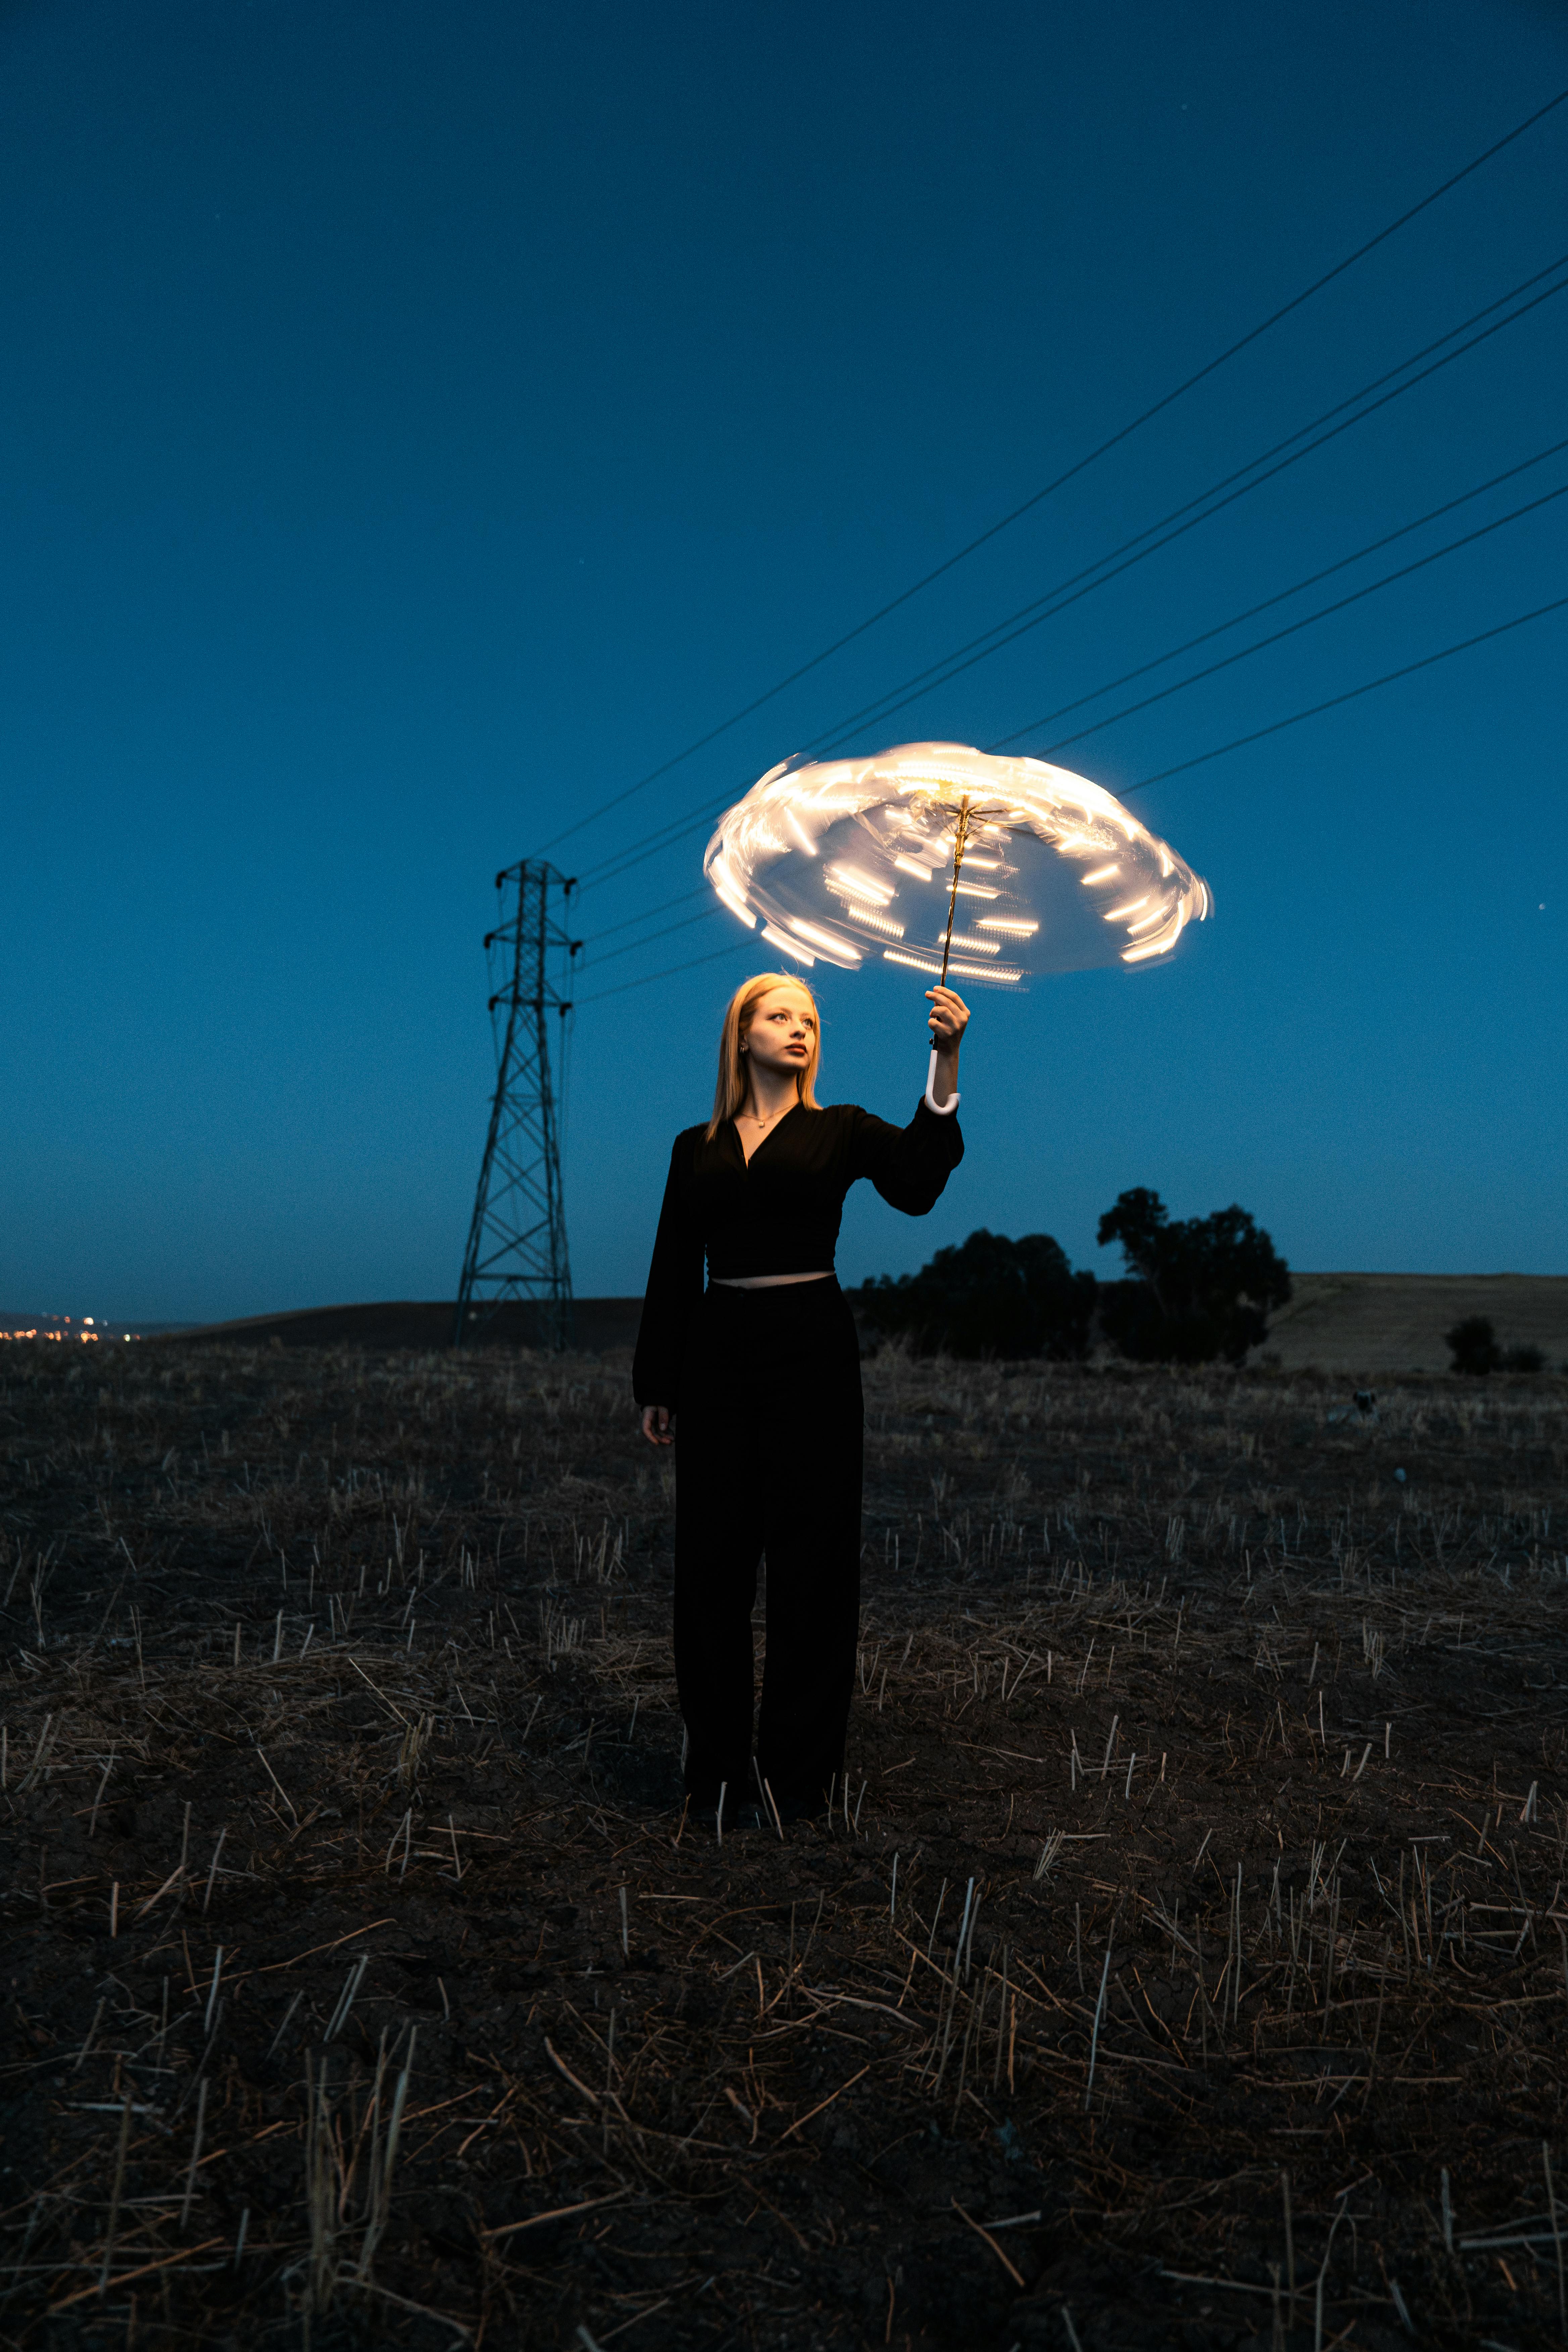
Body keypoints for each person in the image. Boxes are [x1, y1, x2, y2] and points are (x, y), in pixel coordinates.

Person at [633, 970, 969, 1826]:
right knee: (710, 1573)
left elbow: (918, 1184)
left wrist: (944, 1057)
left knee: (812, 1573)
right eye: (779, 1016)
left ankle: (795, 1788)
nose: (799, 1029)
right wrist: (657, 1381)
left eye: (810, 1020)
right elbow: (674, 1263)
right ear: (740, 1034)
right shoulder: (693, 1145)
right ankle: (714, 1779)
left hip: (811, 1350)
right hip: (716, 1355)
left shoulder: (842, 1130)